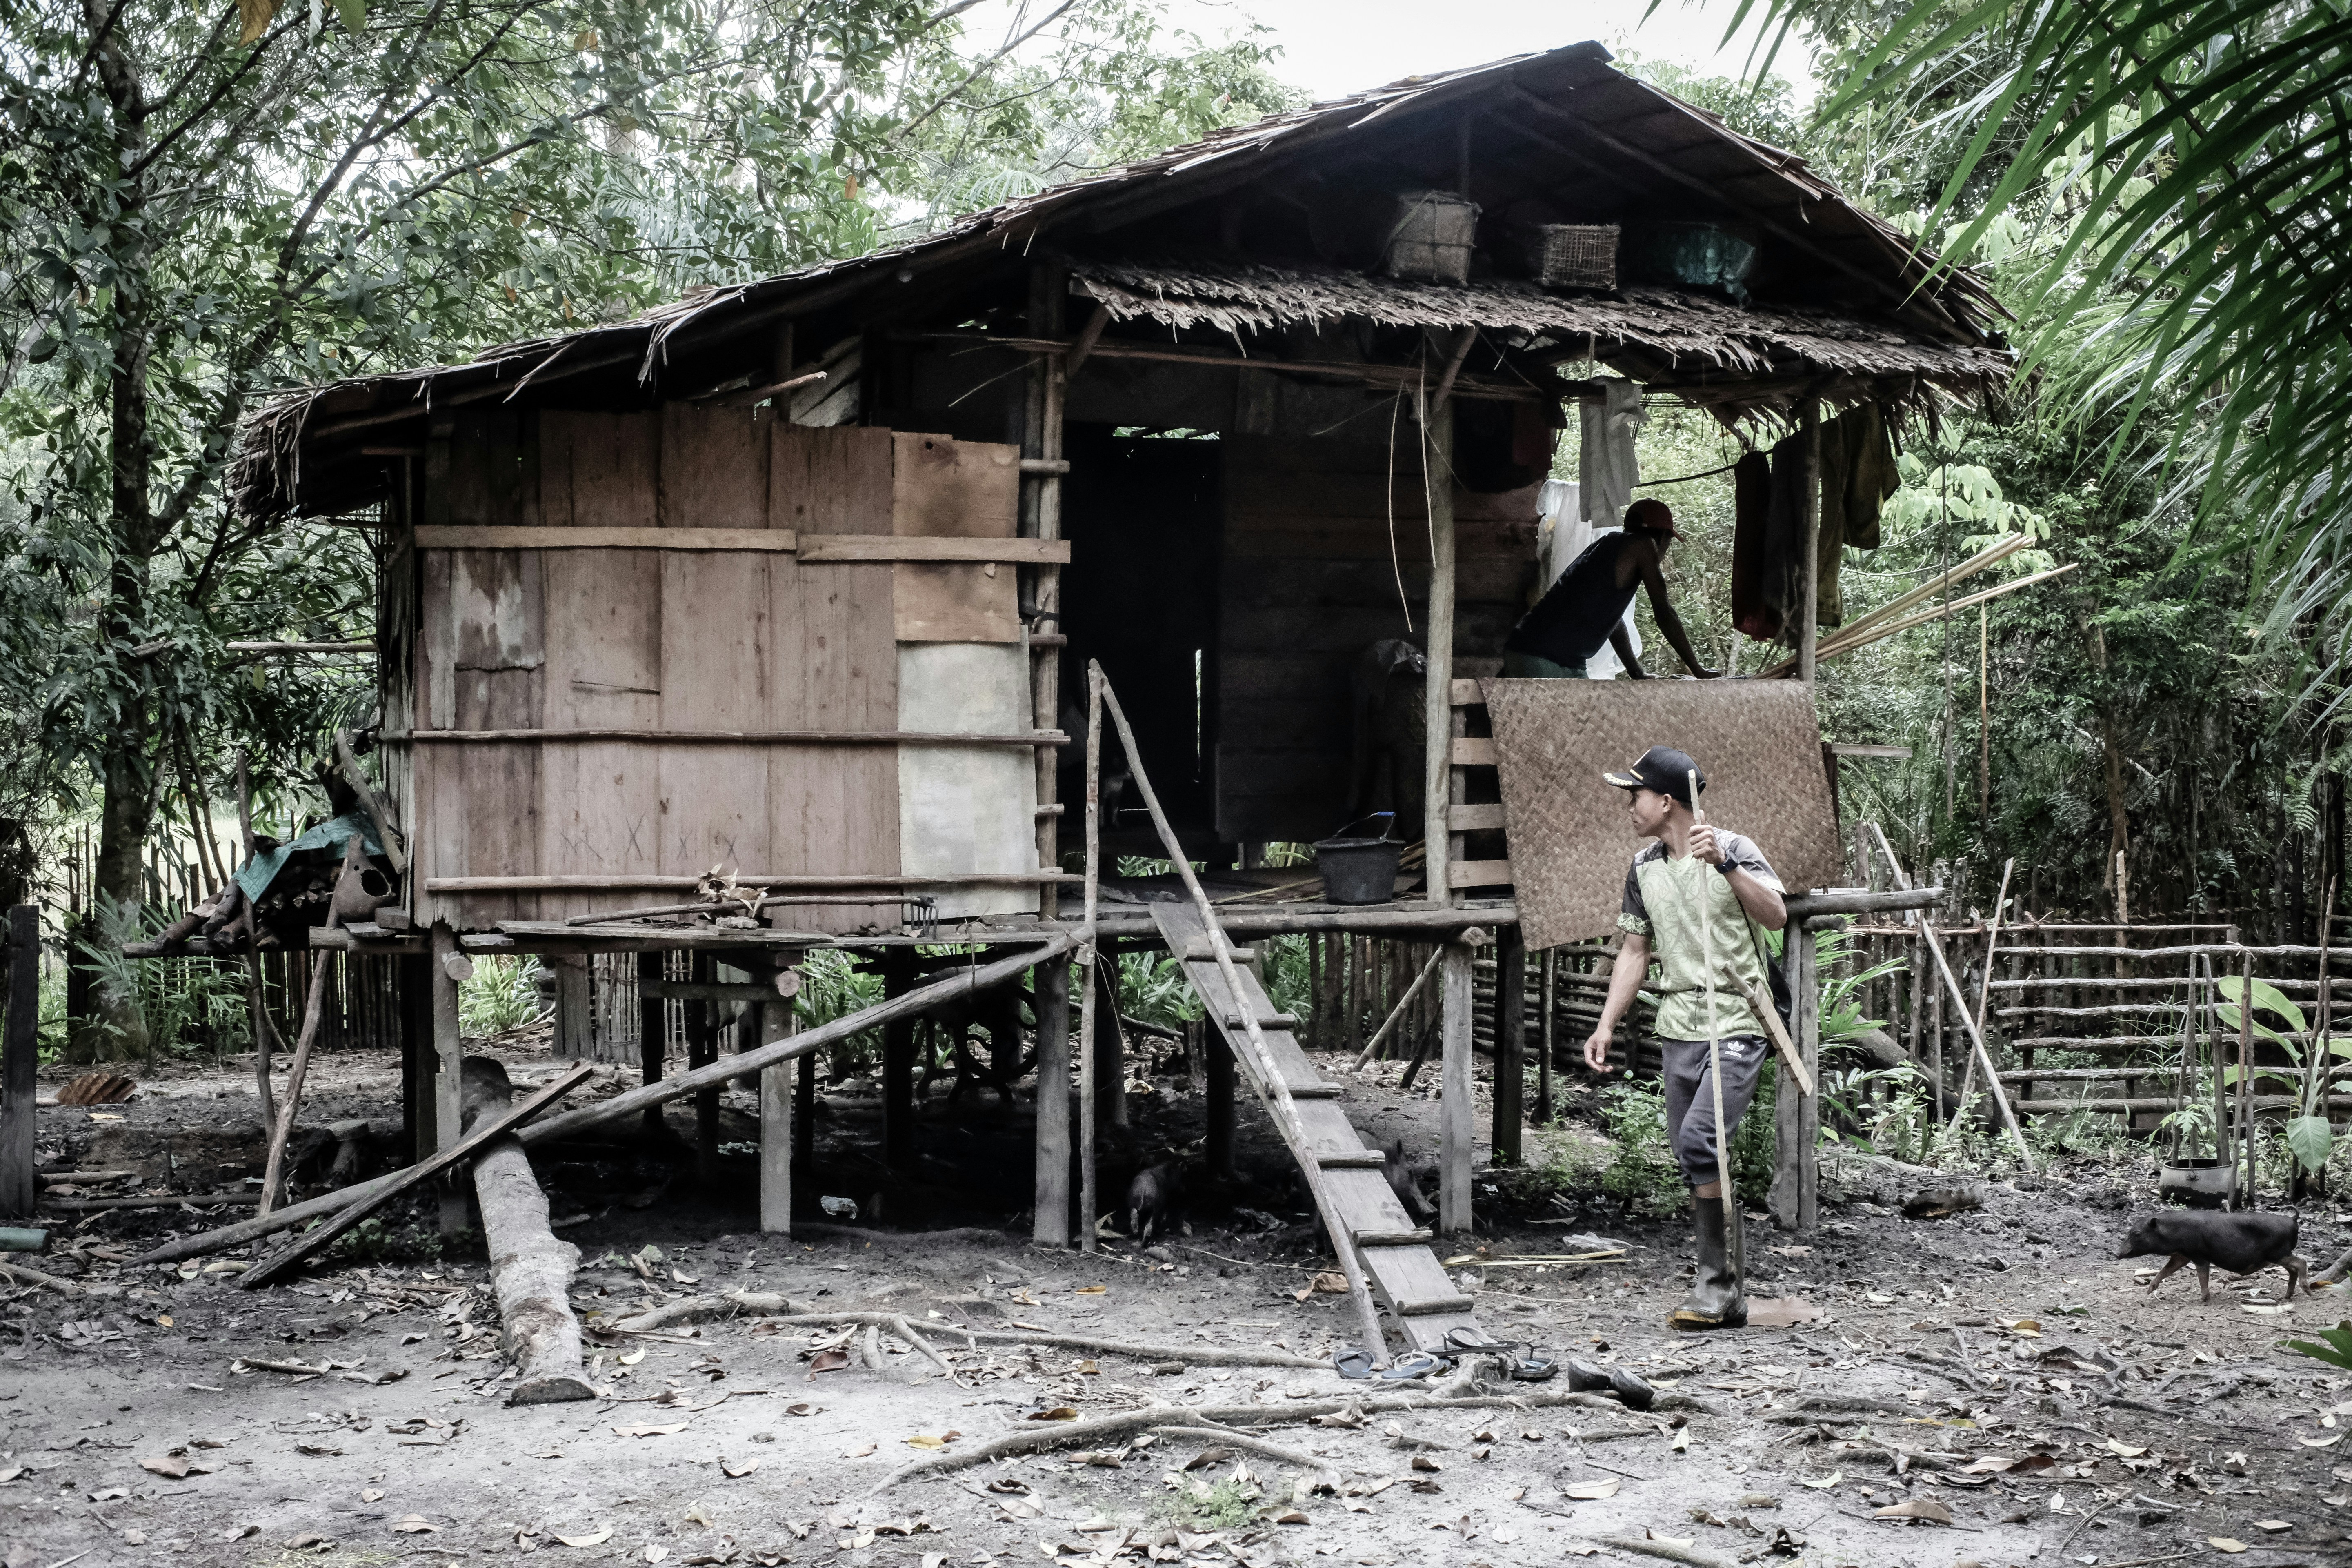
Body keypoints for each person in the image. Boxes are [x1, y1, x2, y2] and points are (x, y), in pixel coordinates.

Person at [1581, 745, 1787, 1330]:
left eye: (1634, 794)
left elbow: (1775, 916)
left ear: (1666, 800)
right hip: (1678, 1026)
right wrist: (1605, 1023)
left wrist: (1725, 864)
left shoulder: (1733, 848)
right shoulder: (1642, 866)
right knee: (1693, 1154)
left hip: (1738, 1021)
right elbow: (1634, 950)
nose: (1628, 805)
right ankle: (1729, 1292)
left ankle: (1715, 1285)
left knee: (1699, 1141)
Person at [1503, 498, 1720, 680]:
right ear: (1663, 538)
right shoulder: (1643, 546)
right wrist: (1698, 670)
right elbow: (1664, 613)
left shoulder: (1608, 546)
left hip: (1546, 656)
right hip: (1541, 656)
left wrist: (1637, 673)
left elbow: (1612, 620)